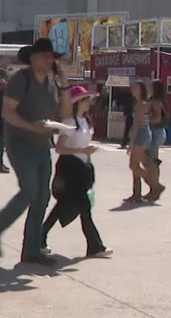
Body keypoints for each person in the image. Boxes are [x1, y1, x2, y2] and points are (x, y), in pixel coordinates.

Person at [0, 38, 69, 267]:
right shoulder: (21, 80)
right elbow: (7, 113)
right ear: (32, 58)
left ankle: (31, 250)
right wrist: (33, 127)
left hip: (42, 145)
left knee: (42, 197)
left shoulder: (52, 83)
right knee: (30, 190)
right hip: (20, 144)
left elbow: (64, 113)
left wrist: (65, 86)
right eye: (44, 55)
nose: (48, 60)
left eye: (51, 56)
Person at [41, 86, 110, 258]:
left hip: (82, 169)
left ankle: (40, 236)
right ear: (79, 102)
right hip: (69, 169)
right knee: (82, 206)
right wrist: (81, 150)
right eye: (86, 100)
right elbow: (60, 148)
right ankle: (95, 246)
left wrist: (87, 158)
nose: (89, 103)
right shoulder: (70, 123)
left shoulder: (85, 121)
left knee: (67, 206)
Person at [124, 81, 163, 203]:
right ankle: (137, 193)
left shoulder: (141, 104)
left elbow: (136, 124)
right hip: (143, 134)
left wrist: (131, 141)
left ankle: (154, 185)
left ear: (141, 89)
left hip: (141, 134)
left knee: (133, 165)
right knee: (136, 165)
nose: (132, 89)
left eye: (135, 87)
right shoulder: (139, 103)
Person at [145, 80, 169, 201]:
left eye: (150, 87)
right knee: (151, 161)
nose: (149, 89)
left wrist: (146, 121)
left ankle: (156, 188)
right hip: (157, 131)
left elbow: (157, 118)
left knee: (152, 162)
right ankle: (153, 188)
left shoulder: (156, 102)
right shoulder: (156, 100)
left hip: (155, 131)